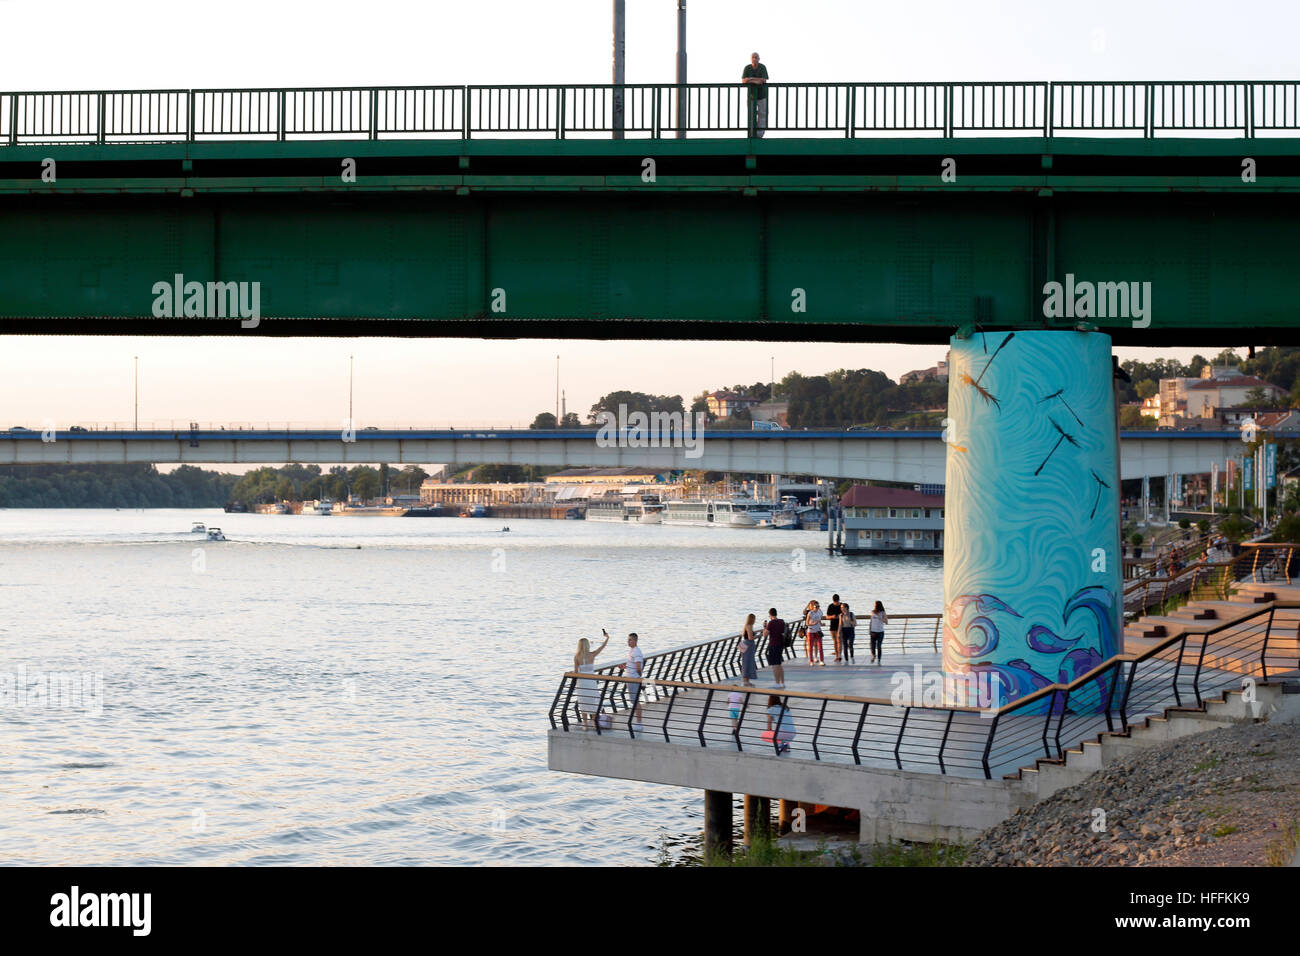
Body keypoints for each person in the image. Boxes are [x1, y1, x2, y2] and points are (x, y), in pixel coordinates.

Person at [573, 630, 610, 729]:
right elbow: (602, 647)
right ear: (587, 645)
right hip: (591, 682)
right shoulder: (592, 655)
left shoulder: (577, 657)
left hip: (581, 682)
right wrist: (607, 638)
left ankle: (585, 725)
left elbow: (576, 672)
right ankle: (594, 723)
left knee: (583, 701)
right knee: (593, 701)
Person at [620, 632, 646, 728]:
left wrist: (637, 676)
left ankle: (639, 723)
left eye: (630, 640)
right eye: (628, 640)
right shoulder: (632, 651)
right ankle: (638, 722)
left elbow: (638, 667)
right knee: (634, 701)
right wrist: (625, 667)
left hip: (634, 679)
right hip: (631, 678)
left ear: (635, 641)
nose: (628, 641)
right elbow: (633, 666)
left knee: (635, 701)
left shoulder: (636, 652)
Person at [742, 52, 768, 138]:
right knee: (751, 114)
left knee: (762, 114)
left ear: (759, 59)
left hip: (762, 95)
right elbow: (743, 81)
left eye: (756, 57)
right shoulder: (747, 68)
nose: (754, 59)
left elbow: (763, 80)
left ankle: (759, 135)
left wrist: (750, 79)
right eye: (753, 57)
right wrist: (756, 80)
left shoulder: (762, 67)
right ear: (751, 59)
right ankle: (752, 133)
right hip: (751, 96)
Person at [763, 608, 787, 688]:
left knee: (775, 665)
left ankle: (777, 683)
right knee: (779, 664)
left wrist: (764, 627)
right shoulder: (781, 622)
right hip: (780, 644)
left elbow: (765, 634)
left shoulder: (771, 623)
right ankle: (782, 683)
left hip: (773, 645)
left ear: (770, 615)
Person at [738, 613, 758, 686]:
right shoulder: (749, 626)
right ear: (752, 619)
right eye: (754, 619)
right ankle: (744, 681)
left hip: (745, 644)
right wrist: (759, 635)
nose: (755, 620)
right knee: (747, 662)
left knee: (747, 662)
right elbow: (750, 638)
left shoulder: (747, 626)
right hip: (748, 645)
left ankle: (746, 680)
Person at [805, 600, 824, 665]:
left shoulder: (819, 612)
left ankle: (822, 661)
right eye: (816, 606)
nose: (817, 607)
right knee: (810, 647)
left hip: (818, 631)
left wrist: (821, 624)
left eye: (819, 606)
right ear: (813, 607)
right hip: (811, 631)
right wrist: (813, 623)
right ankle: (811, 661)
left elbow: (819, 620)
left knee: (820, 646)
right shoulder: (810, 613)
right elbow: (807, 623)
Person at [826, 593, 842, 663]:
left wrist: (840, 616)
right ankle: (836, 656)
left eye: (837, 602)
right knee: (835, 642)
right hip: (832, 626)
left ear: (839, 600)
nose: (836, 603)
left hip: (841, 626)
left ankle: (839, 656)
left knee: (840, 641)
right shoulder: (830, 606)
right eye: (835, 602)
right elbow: (827, 617)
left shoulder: (842, 605)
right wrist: (832, 617)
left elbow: (846, 614)